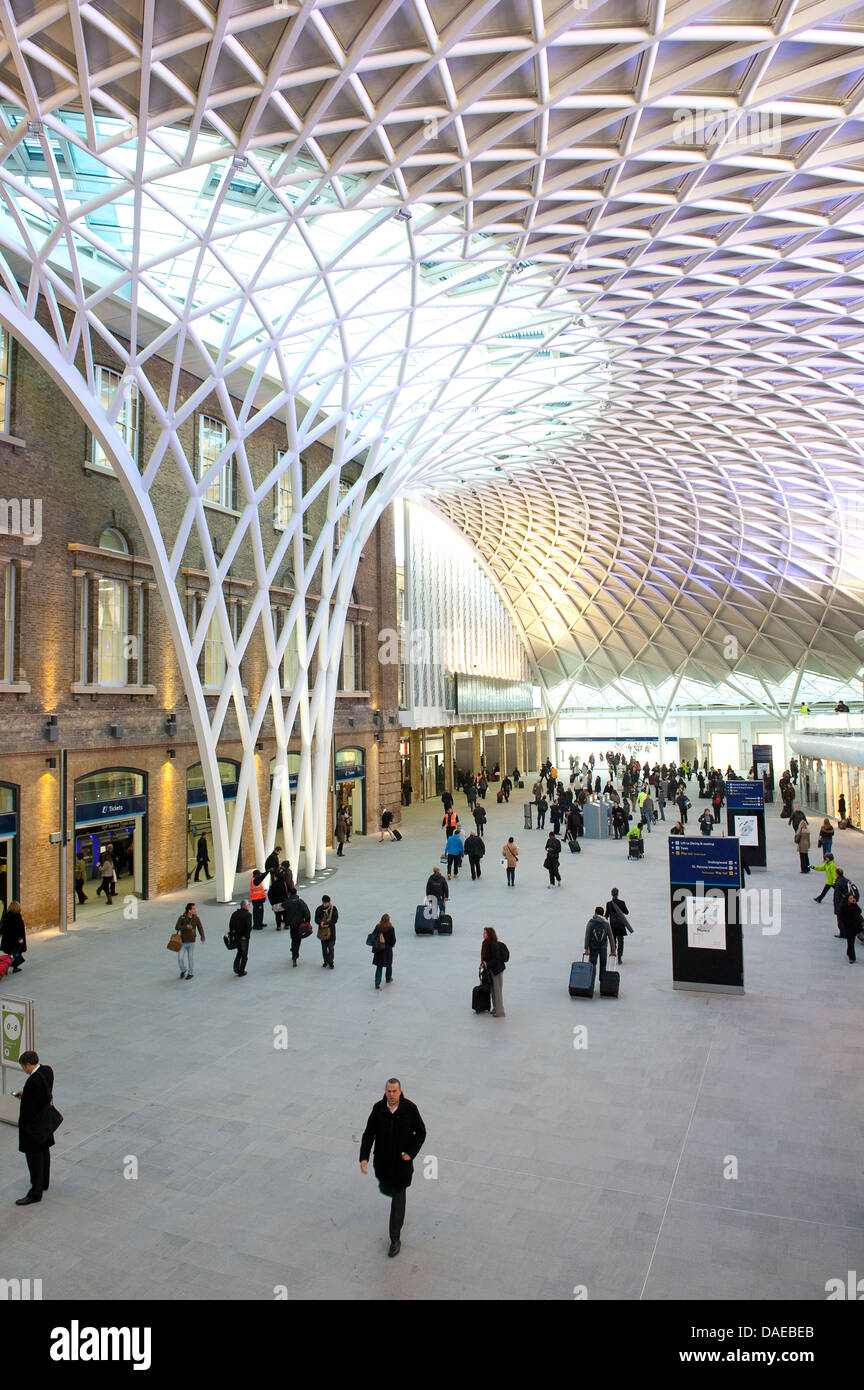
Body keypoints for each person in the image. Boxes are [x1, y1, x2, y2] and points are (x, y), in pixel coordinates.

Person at [359, 1078, 426, 1257]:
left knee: (398, 1196)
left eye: (394, 1091)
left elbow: (421, 1132)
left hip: (401, 1165)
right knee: (387, 1188)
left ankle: (394, 1238)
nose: (391, 1094)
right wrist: (364, 1157)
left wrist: (410, 1152)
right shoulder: (378, 1109)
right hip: (383, 1163)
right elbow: (369, 1134)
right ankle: (388, 1188)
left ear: (400, 1091)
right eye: (389, 1091)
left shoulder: (410, 1109)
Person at [12, 1051, 55, 1205]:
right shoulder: (47, 1070)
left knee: (34, 1159)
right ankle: (44, 1182)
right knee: (44, 1152)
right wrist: (27, 1094)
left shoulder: (32, 1081)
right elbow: (42, 1094)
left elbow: (29, 1108)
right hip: (45, 1122)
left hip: (34, 1126)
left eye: (24, 1067)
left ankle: (35, 1193)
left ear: (28, 1064)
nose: (24, 1070)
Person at [481, 927, 509, 1017]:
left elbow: (496, 959)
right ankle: (496, 1008)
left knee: (497, 991)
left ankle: (500, 1011)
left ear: (489, 934)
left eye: (485, 933)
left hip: (497, 970)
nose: (483, 934)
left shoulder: (493, 945)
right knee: (493, 990)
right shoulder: (486, 943)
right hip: (492, 970)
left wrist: (487, 964)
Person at [174, 902, 205, 979]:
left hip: (191, 941)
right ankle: (183, 970)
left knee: (190, 957)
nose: (195, 910)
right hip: (183, 941)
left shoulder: (196, 918)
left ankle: (190, 973)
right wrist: (185, 927)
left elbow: (200, 927)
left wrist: (202, 936)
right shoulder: (182, 918)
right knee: (180, 958)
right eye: (193, 908)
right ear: (189, 910)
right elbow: (177, 927)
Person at [584, 908, 617, 977]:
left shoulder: (591, 923)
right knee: (603, 964)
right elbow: (611, 937)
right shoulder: (606, 923)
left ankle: (591, 981)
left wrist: (586, 948)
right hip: (603, 947)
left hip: (593, 947)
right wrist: (613, 950)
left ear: (595, 913)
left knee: (592, 965)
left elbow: (587, 936)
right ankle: (602, 982)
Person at [283, 887, 312, 967]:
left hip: (292, 924)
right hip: (300, 924)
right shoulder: (300, 902)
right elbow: (307, 913)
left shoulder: (287, 902)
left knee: (293, 938)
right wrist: (307, 922)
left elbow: (283, 905)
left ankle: (293, 951)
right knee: (298, 940)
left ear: (289, 894)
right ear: (296, 893)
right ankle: (295, 955)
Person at [604, 889, 630, 963]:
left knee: (613, 941)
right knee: (621, 941)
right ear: (618, 894)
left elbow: (606, 915)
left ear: (611, 894)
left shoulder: (609, 904)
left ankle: (613, 953)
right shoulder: (622, 903)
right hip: (621, 925)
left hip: (612, 925)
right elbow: (627, 912)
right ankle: (619, 957)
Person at [837, 890, 862, 963]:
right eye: (850, 898)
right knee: (851, 942)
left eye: (852, 898)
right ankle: (852, 957)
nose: (852, 899)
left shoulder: (853, 905)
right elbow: (841, 917)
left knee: (851, 942)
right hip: (849, 927)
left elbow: (859, 911)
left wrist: (855, 904)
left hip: (856, 926)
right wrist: (847, 923)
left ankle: (849, 953)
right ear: (847, 899)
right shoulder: (843, 907)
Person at [371, 914, 396, 989]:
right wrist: (391, 945)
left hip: (379, 950)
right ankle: (388, 979)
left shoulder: (378, 927)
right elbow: (393, 940)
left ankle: (377, 982)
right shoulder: (391, 928)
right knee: (389, 965)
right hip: (387, 950)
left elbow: (373, 936)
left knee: (379, 966)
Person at [0, 901, 26, 972]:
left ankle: (7, 965)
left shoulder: (6, 916)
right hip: (16, 940)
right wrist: (21, 941)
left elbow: (2, 929)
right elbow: (20, 931)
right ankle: (14, 966)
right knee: (17, 953)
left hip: (7, 940)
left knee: (10, 953)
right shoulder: (17, 917)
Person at [228, 899, 252, 976]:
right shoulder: (248, 915)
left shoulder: (234, 914)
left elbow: (231, 925)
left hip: (236, 937)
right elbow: (248, 927)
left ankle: (236, 967)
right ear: (245, 906)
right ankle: (241, 971)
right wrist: (246, 936)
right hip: (243, 939)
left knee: (239, 952)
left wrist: (232, 934)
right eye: (248, 905)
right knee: (244, 955)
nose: (249, 906)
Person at [315, 895, 338, 969]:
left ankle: (331, 962)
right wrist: (320, 922)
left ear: (329, 902)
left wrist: (328, 924)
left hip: (331, 932)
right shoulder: (319, 909)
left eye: (326, 903)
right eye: (324, 903)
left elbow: (335, 919)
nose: (325, 904)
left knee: (331, 947)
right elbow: (316, 919)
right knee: (324, 948)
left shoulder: (333, 909)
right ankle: (325, 961)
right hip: (322, 932)